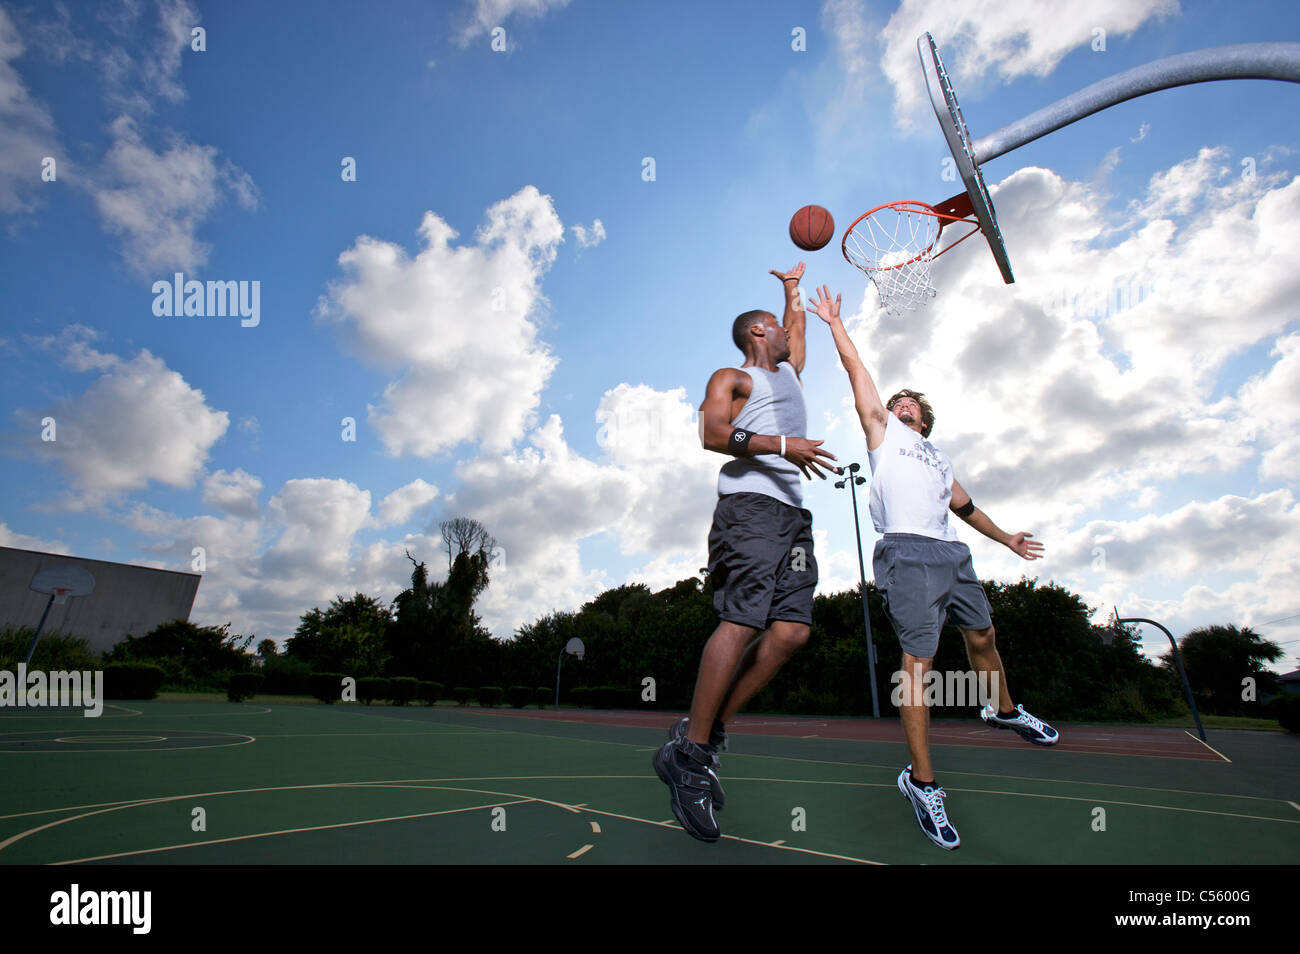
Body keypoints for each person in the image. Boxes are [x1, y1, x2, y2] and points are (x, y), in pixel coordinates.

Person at [808, 284, 1059, 851]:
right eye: (897, 402)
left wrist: (1008, 540)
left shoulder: (938, 458)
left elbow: (967, 509)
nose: (902, 405)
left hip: (952, 555)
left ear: (925, 418)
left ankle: (1003, 710)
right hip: (908, 553)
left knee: (985, 634)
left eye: (911, 404)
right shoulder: (883, 435)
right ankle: (921, 783)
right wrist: (833, 324)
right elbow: (858, 377)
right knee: (919, 665)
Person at [653, 263, 840, 843]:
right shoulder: (732, 377)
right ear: (759, 332)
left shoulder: (791, 374)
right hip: (750, 509)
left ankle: (702, 734)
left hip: (793, 516)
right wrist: (786, 444)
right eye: (780, 327)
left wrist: (792, 291)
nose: (789, 334)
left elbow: (799, 329)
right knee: (740, 620)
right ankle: (690, 758)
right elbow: (712, 435)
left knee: (792, 633)